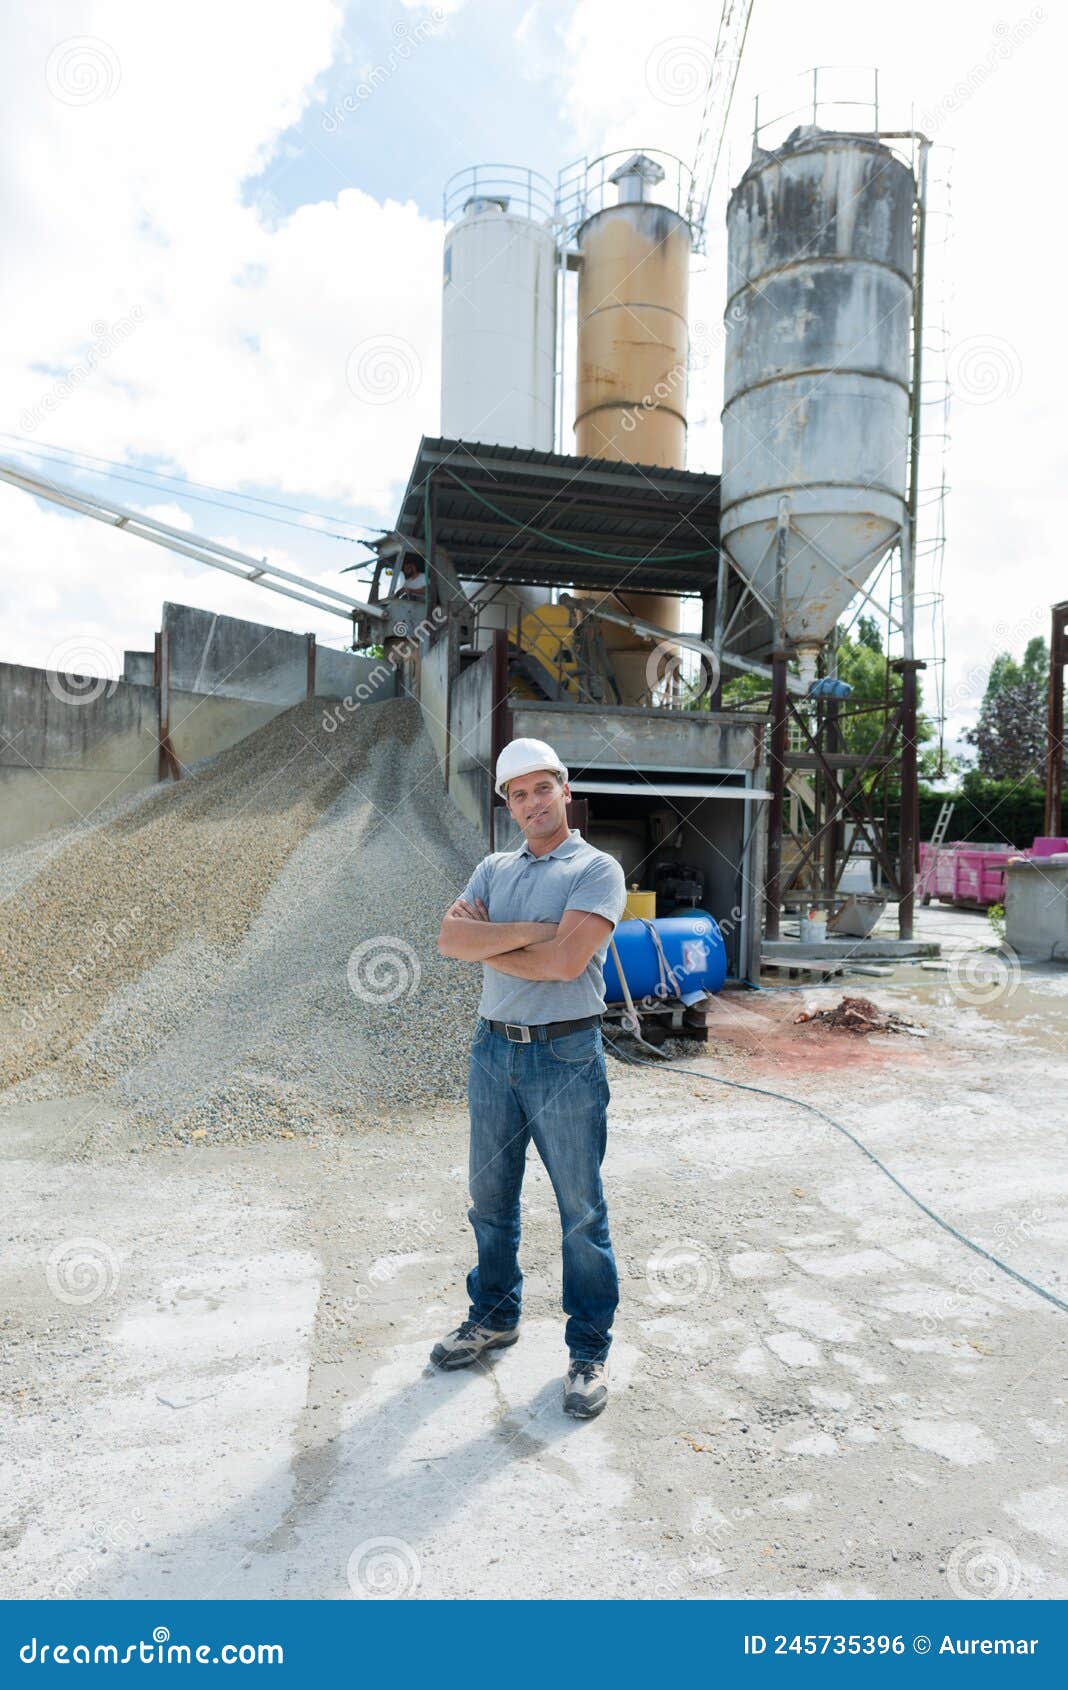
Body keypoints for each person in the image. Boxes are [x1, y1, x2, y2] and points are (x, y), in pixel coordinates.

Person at [435, 737, 627, 1418]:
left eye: (543, 788)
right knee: (489, 1201)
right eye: (519, 794)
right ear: (509, 806)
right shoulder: (492, 867)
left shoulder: (596, 869)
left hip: (565, 1055)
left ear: (564, 791)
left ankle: (588, 1351)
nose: (532, 802)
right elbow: (450, 940)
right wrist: (535, 934)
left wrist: (493, 943)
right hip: (492, 1052)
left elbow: (565, 964)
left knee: (581, 1213)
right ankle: (494, 1316)